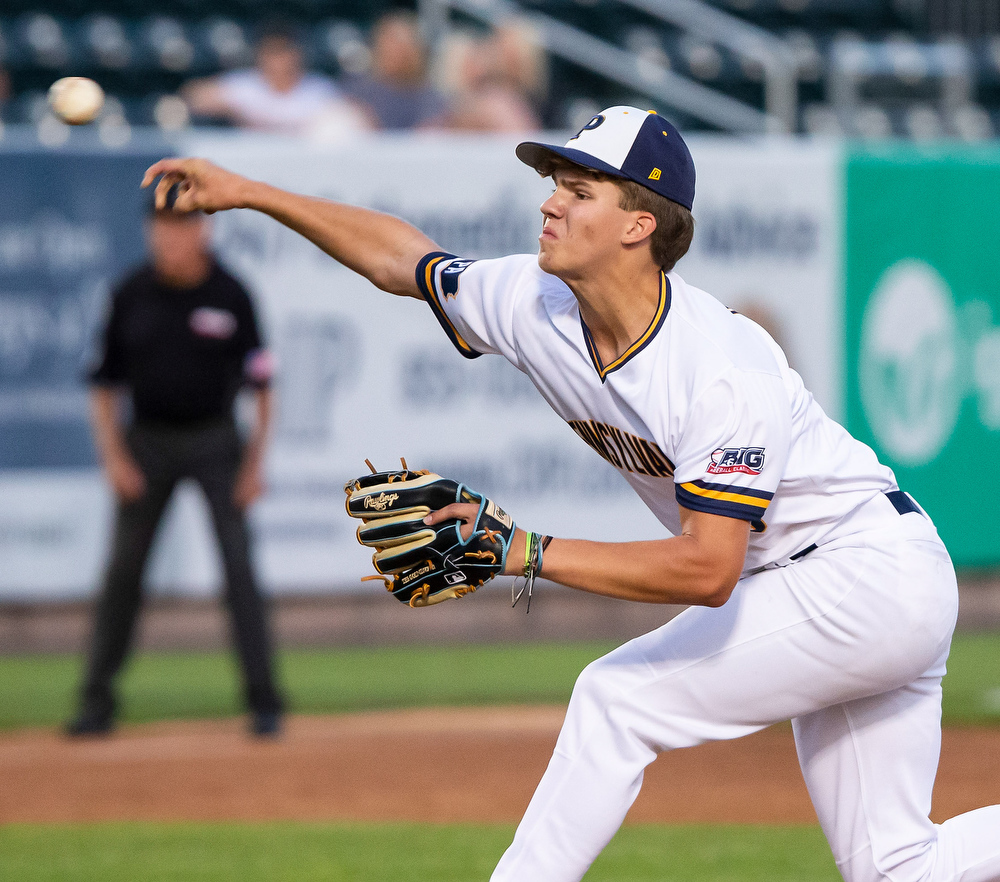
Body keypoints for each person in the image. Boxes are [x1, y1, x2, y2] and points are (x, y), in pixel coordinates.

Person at [141, 107, 1000, 880]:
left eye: (578, 188)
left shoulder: (719, 369)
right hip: (833, 580)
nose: (550, 201)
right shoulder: (532, 301)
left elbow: (708, 569)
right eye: (553, 182)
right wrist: (252, 192)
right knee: (900, 872)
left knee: (616, 699)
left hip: (862, 574)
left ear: (639, 223)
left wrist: (526, 553)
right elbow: (404, 261)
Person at [67, 189, 285, 739]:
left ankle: (264, 702)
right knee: (123, 574)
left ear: (203, 231)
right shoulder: (130, 293)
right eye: (161, 226)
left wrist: (255, 464)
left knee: (239, 570)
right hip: (147, 443)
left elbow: (262, 386)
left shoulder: (231, 293)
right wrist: (113, 457)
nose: (171, 236)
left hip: (215, 442)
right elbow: (103, 385)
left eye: (182, 225)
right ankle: (95, 703)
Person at [181, 21, 368, 136]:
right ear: (260, 56)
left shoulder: (318, 88)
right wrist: (234, 110)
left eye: (286, 51)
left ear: (299, 54)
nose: (281, 61)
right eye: (273, 52)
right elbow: (193, 95)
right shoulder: (245, 85)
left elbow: (357, 120)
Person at [342, 10, 447, 130]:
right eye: (391, 43)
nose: (396, 52)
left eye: (403, 45)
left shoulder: (430, 97)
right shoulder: (358, 91)